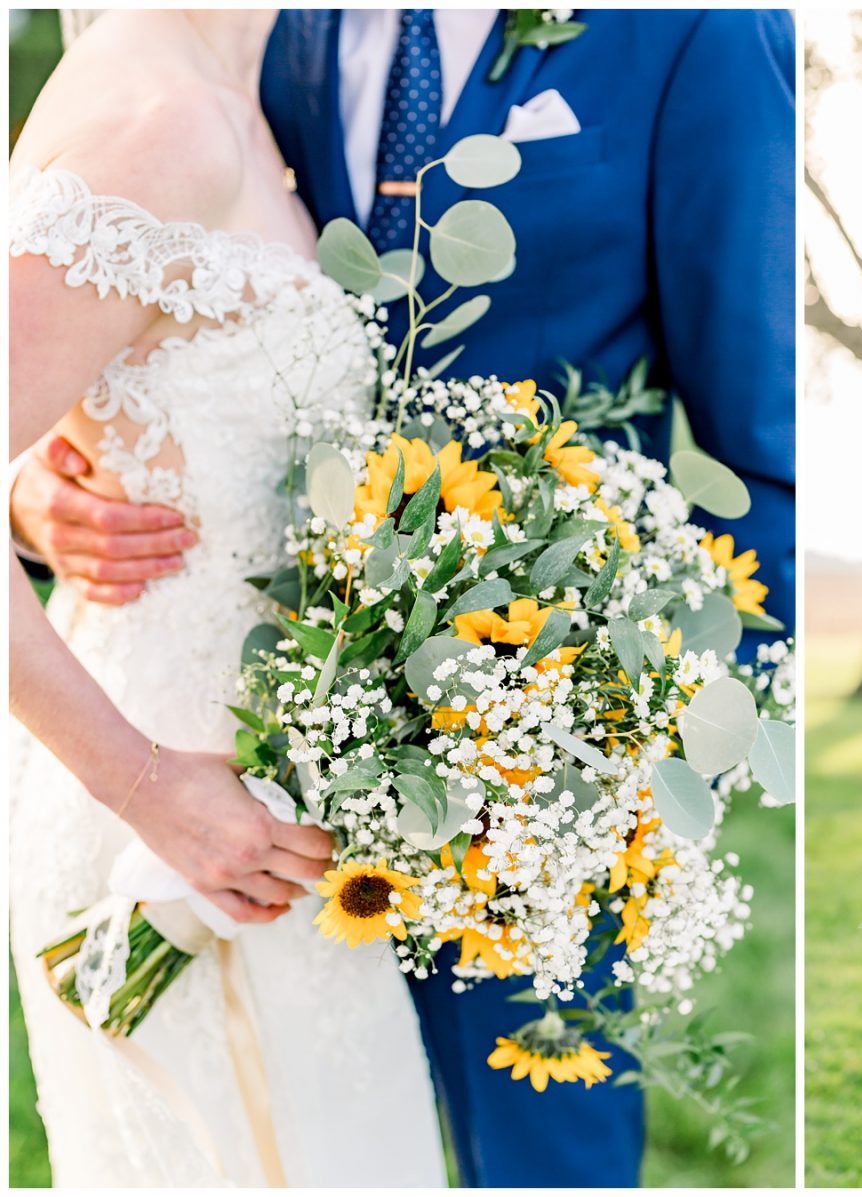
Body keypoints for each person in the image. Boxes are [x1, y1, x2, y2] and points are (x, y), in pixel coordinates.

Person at [12, 9, 797, 1187]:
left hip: (534, 753)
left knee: (535, 1154)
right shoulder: (236, 66)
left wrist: (641, 731)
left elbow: (761, 433)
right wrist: (34, 491)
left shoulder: (697, 32)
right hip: (218, 787)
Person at [8, 9, 444, 1186]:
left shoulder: (238, 94)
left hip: (281, 813)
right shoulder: (151, 121)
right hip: (172, 827)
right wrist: (146, 786)